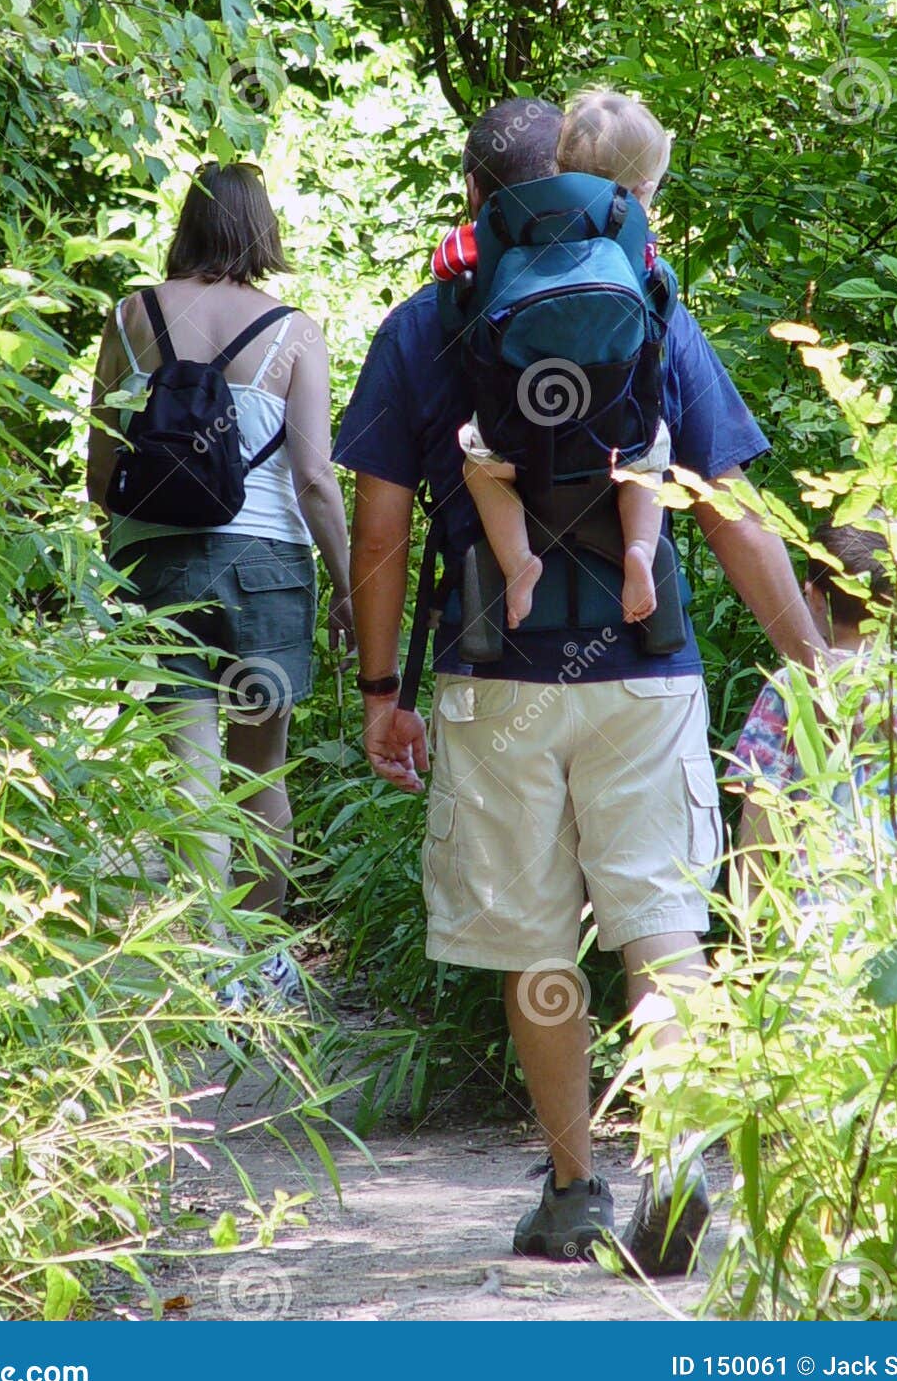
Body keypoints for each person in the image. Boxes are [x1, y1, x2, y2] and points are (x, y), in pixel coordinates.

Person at [333, 96, 826, 1271]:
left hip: (495, 679)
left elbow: (380, 531)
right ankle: (675, 1162)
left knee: (537, 944)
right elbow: (735, 513)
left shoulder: (427, 322)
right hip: (648, 676)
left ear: (473, 197)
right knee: (663, 923)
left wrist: (377, 689)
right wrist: (818, 670)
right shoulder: (649, 297)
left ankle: (573, 1190)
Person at [87, 161, 354, 1003]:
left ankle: (206, 968)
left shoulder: (131, 316)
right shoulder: (293, 332)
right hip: (266, 571)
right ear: (261, 230)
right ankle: (262, 961)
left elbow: (100, 475)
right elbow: (315, 478)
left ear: (187, 224)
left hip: (159, 564)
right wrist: (350, 587)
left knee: (189, 769)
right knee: (260, 773)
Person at [436, 90, 673, 630]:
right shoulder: (638, 244)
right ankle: (639, 548)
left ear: (560, 164)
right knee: (650, 465)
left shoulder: (502, 227)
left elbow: (449, 265)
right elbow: (661, 298)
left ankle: (519, 562)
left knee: (480, 466)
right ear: (642, 189)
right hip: (622, 432)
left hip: (514, 430)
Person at [729, 519, 897, 920]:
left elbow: (759, 823)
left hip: (818, 918)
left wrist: (751, 929)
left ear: (814, 597)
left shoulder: (792, 688)